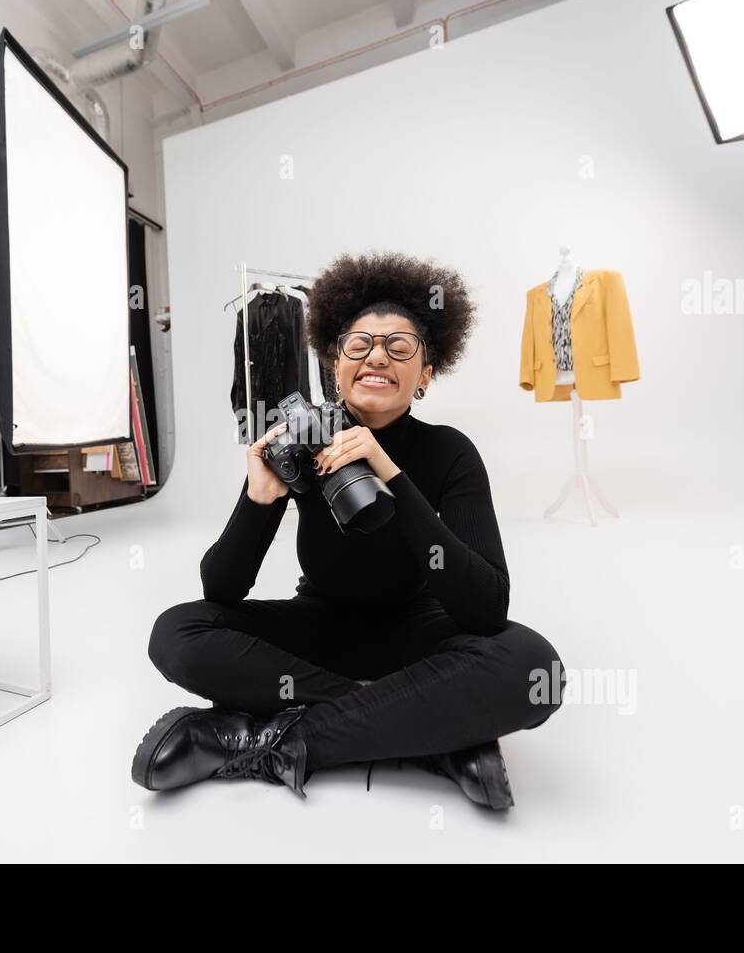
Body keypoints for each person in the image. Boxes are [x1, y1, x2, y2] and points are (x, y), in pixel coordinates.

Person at [132, 250, 565, 809]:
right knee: (176, 632)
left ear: (426, 373)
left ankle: (265, 741)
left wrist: (392, 475)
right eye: (358, 345)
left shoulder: (449, 452)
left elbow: (485, 608)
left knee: (536, 668)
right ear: (335, 368)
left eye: (399, 347)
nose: (375, 357)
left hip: (419, 639)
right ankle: (430, 735)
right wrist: (258, 500)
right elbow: (221, 590)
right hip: (320, 634)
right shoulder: (307, 439)